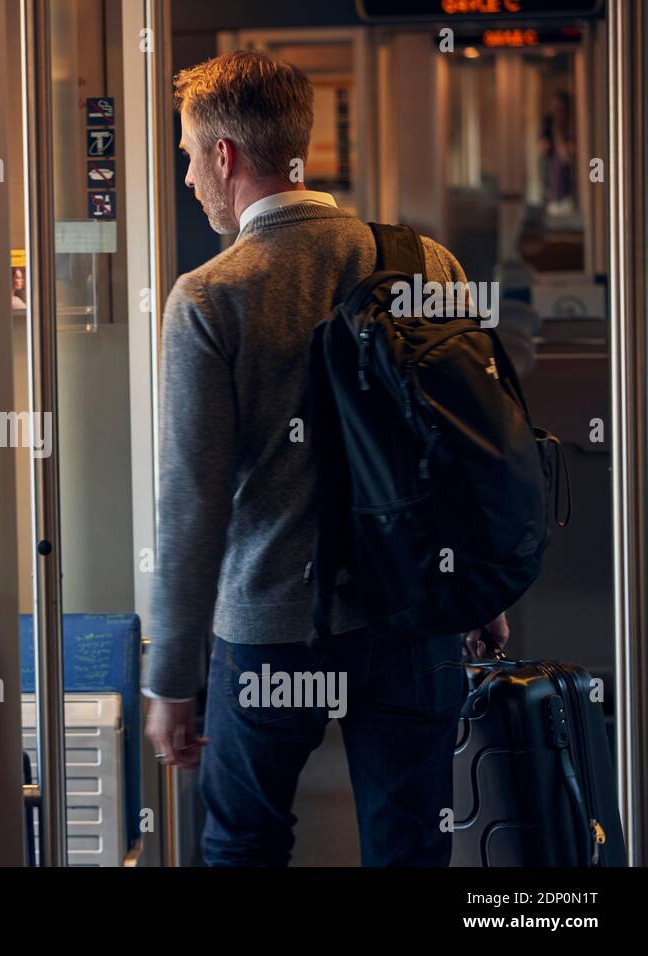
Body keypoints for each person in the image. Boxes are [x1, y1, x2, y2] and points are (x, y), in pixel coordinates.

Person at [143, 49, 508, 867]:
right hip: (414, 615)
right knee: (410, 843)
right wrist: (478, 594)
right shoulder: (424, 263)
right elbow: (466, 452)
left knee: (245, 841)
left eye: (189, 154)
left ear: (225, 156)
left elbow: (191, 501)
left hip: (273, 630)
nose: (191, 174)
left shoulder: (210, 296)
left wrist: (171, 678)